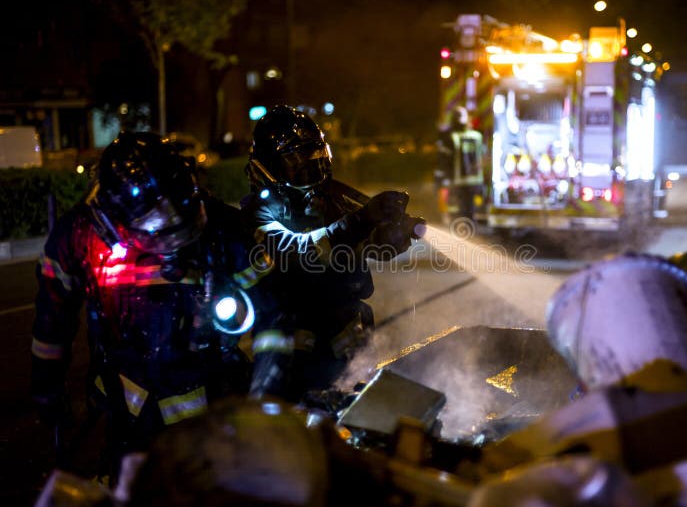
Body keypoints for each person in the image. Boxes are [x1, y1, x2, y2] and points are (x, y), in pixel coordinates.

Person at [31, 131, 274, 479]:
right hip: (126, 411)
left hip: (217, 408)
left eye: (184, 217)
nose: (175, 235)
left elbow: (272, 310)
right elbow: (51, 324)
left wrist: (269, 390)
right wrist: (47, 389)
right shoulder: (77, 237)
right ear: (115, 221)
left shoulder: (223, 226)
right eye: (159, 229)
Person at [241, 105, 424, 402]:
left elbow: (364, 244)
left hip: (349, 336)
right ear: (269, 168)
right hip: (290, 349)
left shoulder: (329, 197)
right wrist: (363, 220)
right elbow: (301, 253)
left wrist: (390, 236)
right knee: (293, 424)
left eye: (316, 160)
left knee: (360, 420)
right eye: (299, 165)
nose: (311, 173)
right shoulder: (257, 213)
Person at [435, 106, 485, 221]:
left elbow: (443, 162)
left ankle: (460, 236)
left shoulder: (451, 138)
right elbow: (482, 156)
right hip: (475, 182)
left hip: (457, 183)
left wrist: (440, 181)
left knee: (458, 215)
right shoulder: (477, 136)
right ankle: (471, 234)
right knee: (470, 212)